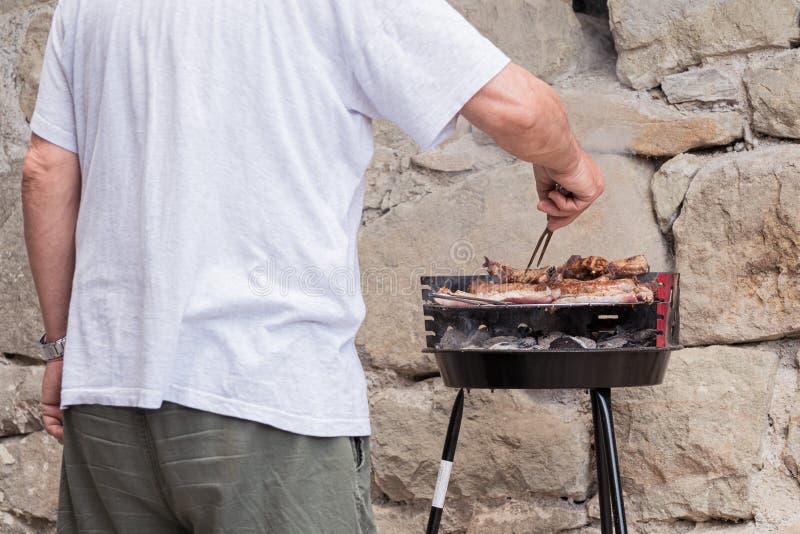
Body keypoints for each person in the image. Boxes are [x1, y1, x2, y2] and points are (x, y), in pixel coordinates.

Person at [21, 0, 604, 532]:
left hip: (106, 406)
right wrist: (572, 163)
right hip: (267, 400)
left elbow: (45, 170)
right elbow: (522, 111)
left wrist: (62, 347)